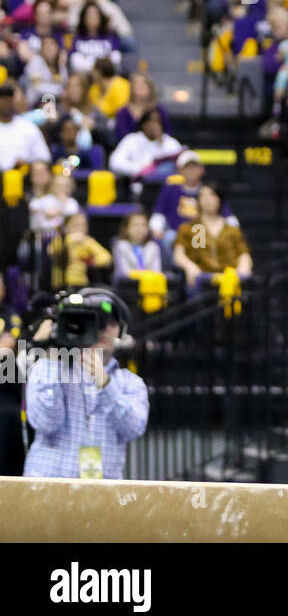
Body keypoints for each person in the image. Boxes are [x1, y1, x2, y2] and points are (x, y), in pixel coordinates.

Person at [23, 290, 149, 479]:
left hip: (102, 495)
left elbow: (133, 428)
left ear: (121, 331)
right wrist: (51, 354)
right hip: (48, 488)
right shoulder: (49, 368)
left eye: (111, 322)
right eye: (96, 321)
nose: (104, 329)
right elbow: (45, 423)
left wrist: (105, 383)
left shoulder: (130, 383)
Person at [173, 185, 254, 289]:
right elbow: (179, 254)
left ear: (219, 199)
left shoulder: (232, 230)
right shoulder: (194, 228)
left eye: (212, 195)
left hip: (229, 279)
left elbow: (244, 254)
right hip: (203, 279)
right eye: (203, 195)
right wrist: (189, 266)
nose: (207, 199)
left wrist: (244, 267)